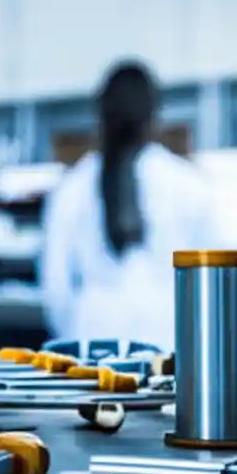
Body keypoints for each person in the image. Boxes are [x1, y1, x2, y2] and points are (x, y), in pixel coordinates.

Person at [40, 62, 217, 351]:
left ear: (100, 114)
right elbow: (212, 284)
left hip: (90, 345)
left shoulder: (71, 189)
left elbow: (56, 291)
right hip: (170, 342)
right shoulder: (189, 185)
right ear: (155, 114)